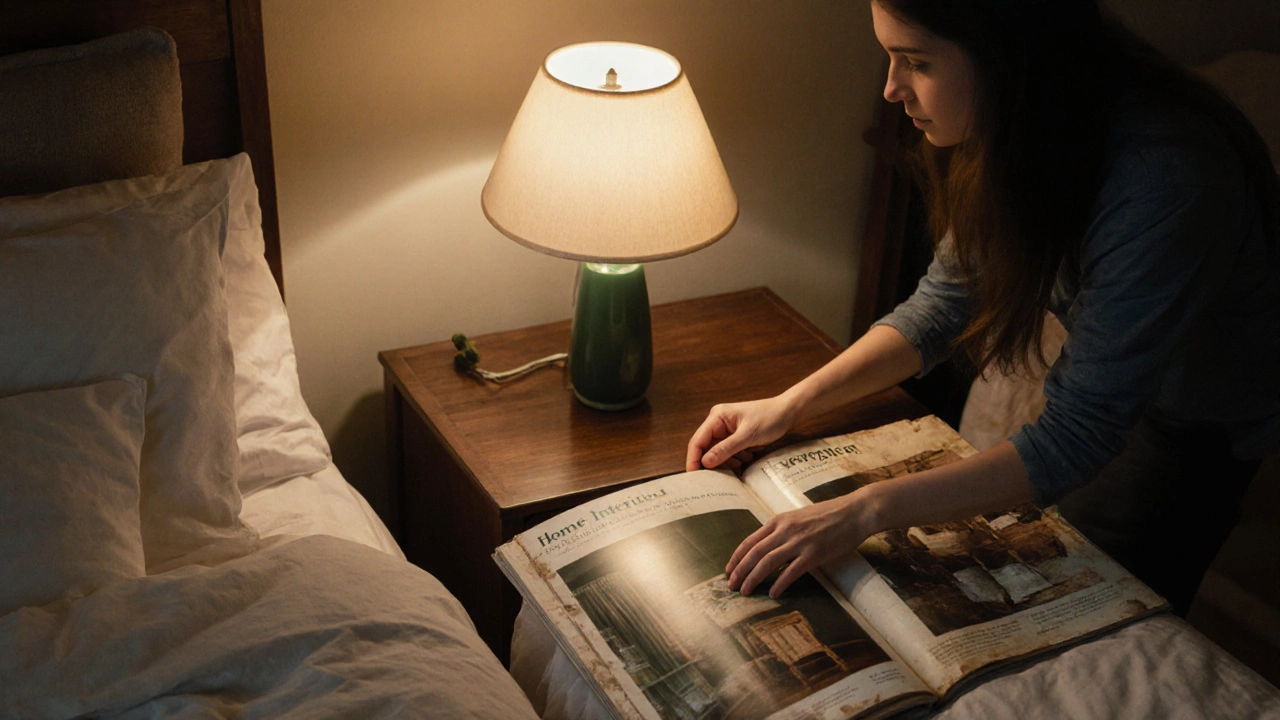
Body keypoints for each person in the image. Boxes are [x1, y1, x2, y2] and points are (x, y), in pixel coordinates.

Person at [686, 0, 1280, 616]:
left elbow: (1078, 435)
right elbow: (941, 307)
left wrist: (862, 510)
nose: (892, 89)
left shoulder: (1166, 179)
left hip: (1196, 422)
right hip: (1113, 401)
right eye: (889, 57)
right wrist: (788, 405)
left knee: (1091, 614)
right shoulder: (1019, 123)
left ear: (1008, 59)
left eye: (915, 62)